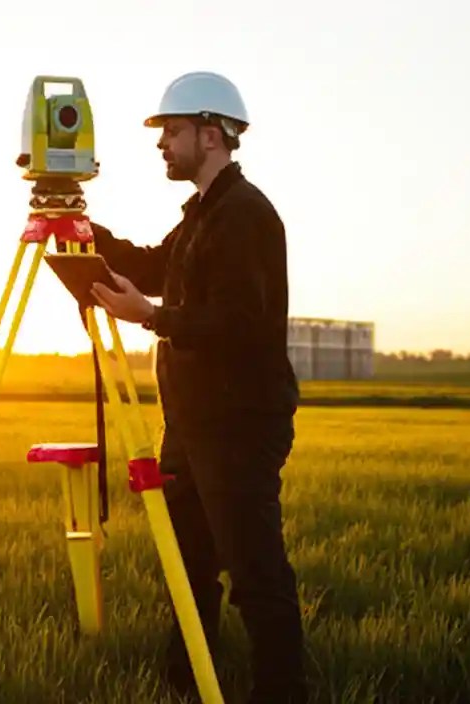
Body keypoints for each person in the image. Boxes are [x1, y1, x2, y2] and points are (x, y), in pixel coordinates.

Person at [88, 71, 308, 703]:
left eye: (173, 132)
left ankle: (282, 692)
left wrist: (150, 317)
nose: (162, 145)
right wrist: (80, 229)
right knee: (188, 570)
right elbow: (154, 266)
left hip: (238, 423)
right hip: (191, 425)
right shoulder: (203, 215)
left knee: (255, 573)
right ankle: (187, 683)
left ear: (212, 135)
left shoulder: (245, 215)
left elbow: (237, 322)